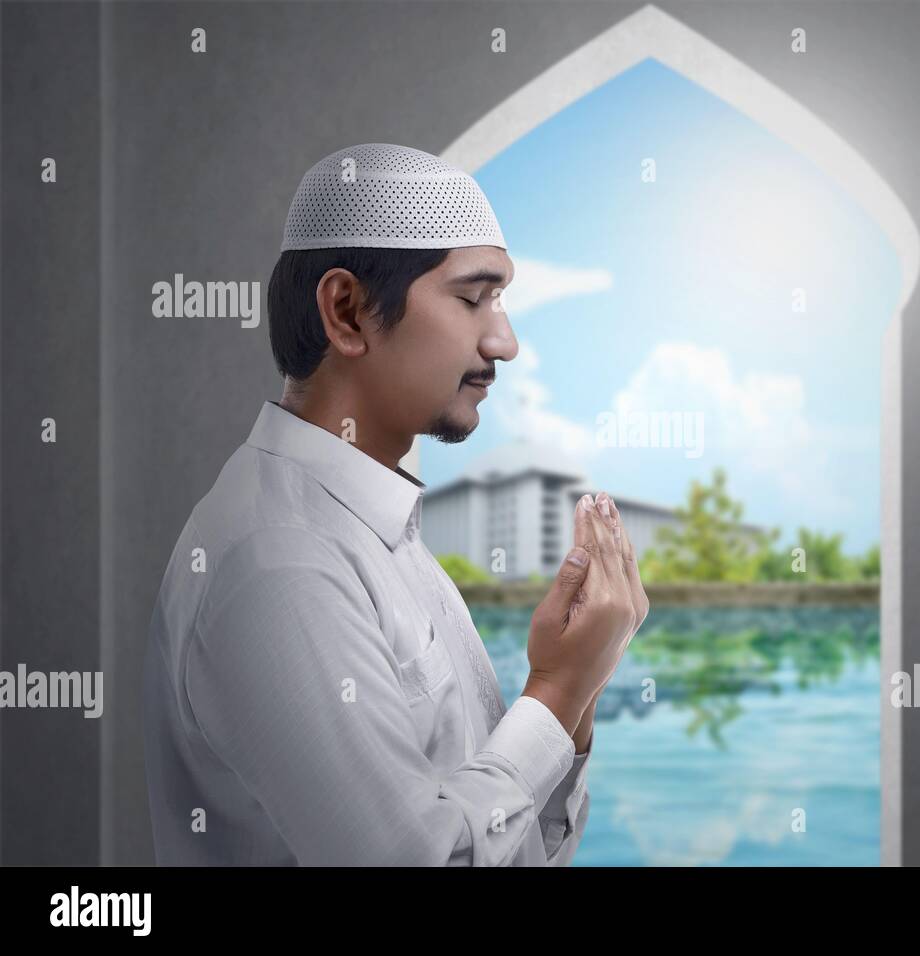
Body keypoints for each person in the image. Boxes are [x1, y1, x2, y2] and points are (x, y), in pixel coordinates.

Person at [141, 144, 648, 865]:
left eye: (500, 300)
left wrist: (575, 699)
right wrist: (557, 691)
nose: (503, 340)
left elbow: (499, 848)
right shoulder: (277, 564)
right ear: (347, 311)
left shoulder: (381, 538)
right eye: (473, 298)